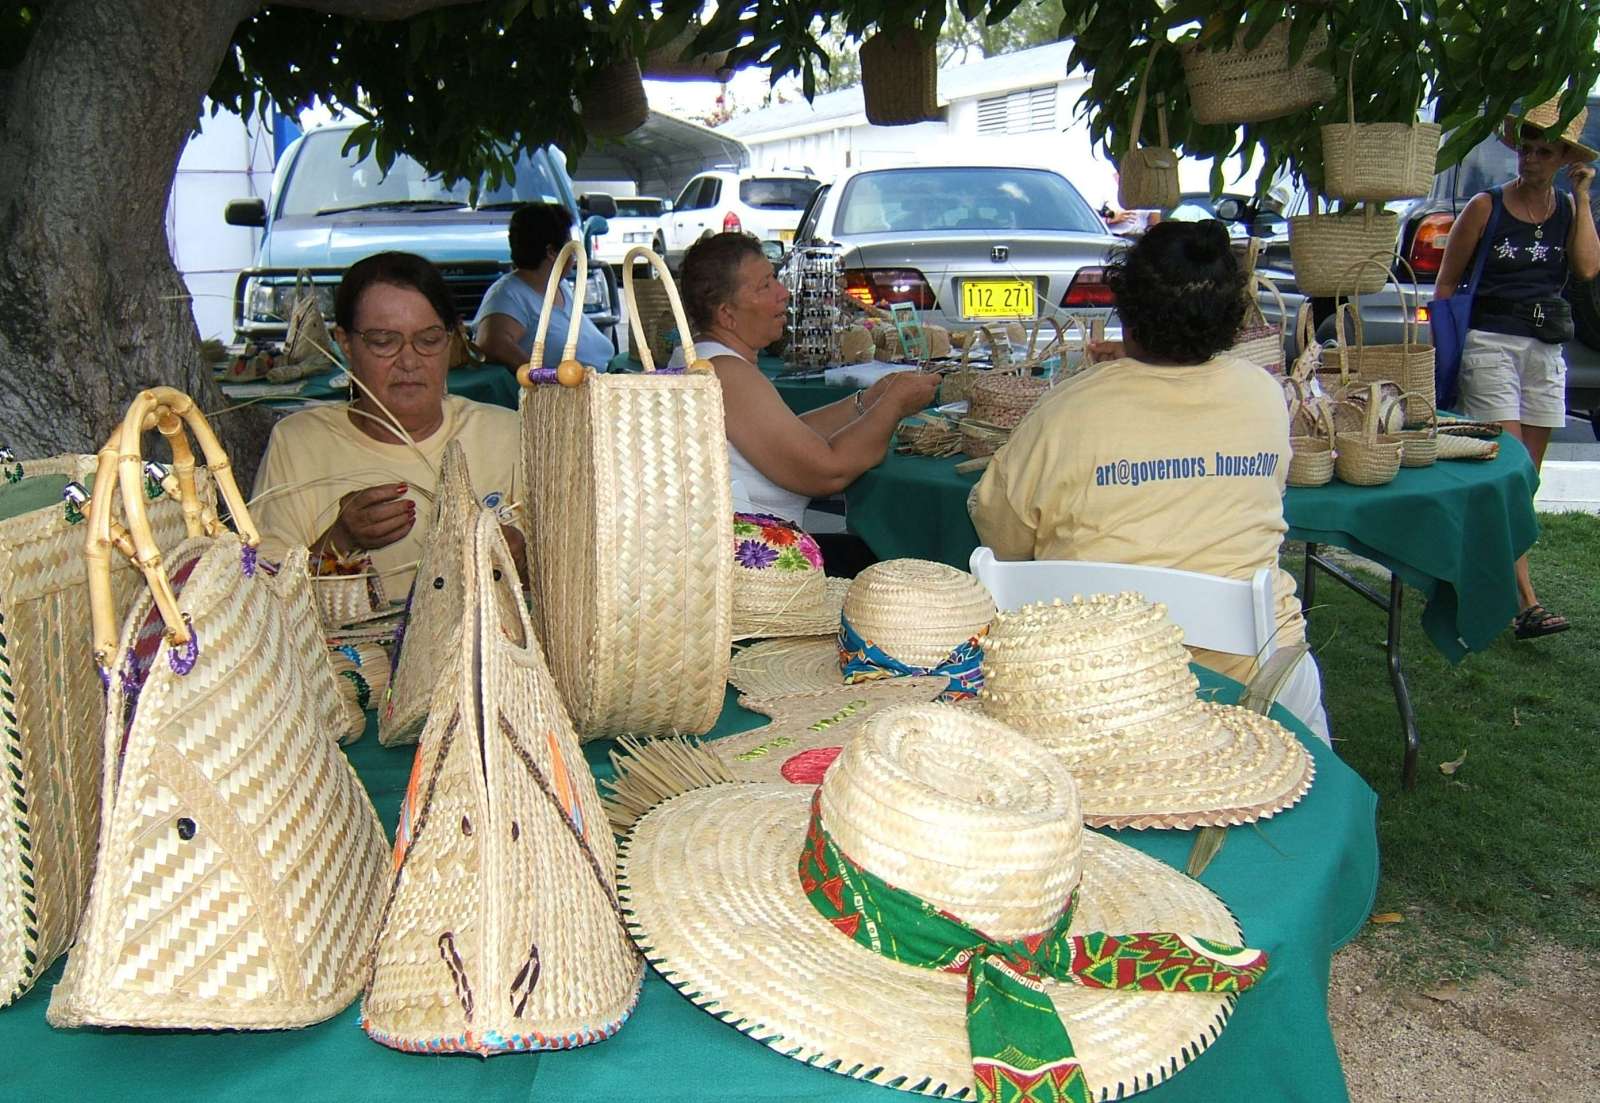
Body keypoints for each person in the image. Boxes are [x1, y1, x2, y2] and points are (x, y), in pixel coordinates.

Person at [969, 219, 1330, 742]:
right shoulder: (1263, 395)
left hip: (1098, 686)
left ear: (1128, 312)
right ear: (1231, 317)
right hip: (1260, 679)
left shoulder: (1070, 408)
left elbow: (1001, 536)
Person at [253, 251, 524, 595]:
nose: (409, 361)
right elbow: (266, 596)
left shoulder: (504, 433)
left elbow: (564, 581)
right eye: (384, 342)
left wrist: (521, 559)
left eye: (428, 340)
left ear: (450, 340)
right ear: (346, 344)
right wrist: (340, 541)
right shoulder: (299, 443)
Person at [670, 232, 940, 574]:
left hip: (740, 554)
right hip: (761, 570)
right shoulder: (724, 373)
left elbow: (791, 436)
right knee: (904, 559)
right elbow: (829, 472)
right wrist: (894, 405)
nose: (783, 293)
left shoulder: (705, 358)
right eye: (765, 286)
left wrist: (869, 400)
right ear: (727, 314)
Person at [1434, 97, 1598, 639]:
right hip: (1492, 344)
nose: (1529, 160)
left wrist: (1582, 196)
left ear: (1561, 159)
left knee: (1523, 479)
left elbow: (1588, 267)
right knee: (1505, 471)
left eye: (1542, 152)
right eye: (1525, 150)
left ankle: (1476, 572)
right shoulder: (1486, 206)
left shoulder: (1569, 209)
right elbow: (1447, 285)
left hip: (1544, 348)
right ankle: (1524, 599)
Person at [472, 202, 615, 372]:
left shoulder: (560, 286)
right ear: (552, 252)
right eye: (569, 243)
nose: (574, 254)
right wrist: (543, 379)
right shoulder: (507, 295)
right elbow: (491, 343)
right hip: (566, 395)